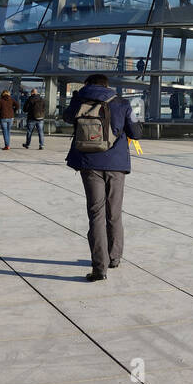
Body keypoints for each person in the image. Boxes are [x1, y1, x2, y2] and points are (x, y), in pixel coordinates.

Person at [64, 74, 143, 281]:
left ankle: (100, 268)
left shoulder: (80, 100)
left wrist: (75, 99)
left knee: (96, 214)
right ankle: (114, 257)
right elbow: (136, 133)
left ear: (87, 85)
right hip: (116, 165)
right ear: (107, 86)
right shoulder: (121, 103)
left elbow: (65, 118)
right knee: (114, 213)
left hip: (89, 164)